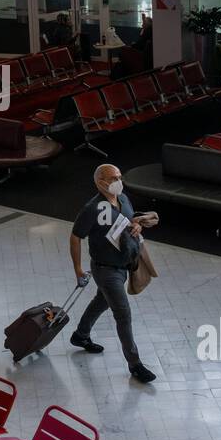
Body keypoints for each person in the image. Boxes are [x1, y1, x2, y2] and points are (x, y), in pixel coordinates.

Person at [68, 164, 158, 384]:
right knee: (123, 313)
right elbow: (75, 236)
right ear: (100, 181)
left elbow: (129, 221)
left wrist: (138, 227)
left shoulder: (123, 199)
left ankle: (80, 335)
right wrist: (78, 268)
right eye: (112, 178)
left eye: (119, 176)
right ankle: (135, 364)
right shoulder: (93, 209)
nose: (118, 181)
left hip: (122, 266)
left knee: (102, 301)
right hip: (105, 270)